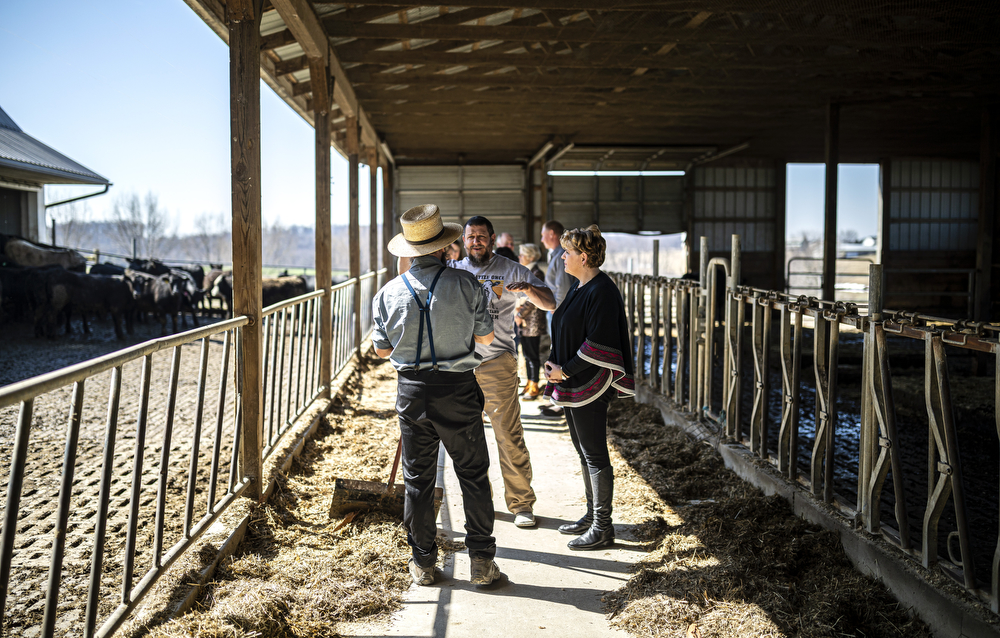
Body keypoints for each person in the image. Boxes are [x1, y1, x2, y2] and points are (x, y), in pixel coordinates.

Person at [372, 204, 501, 586]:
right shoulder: (466, 285)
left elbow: (380, 351)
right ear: (445, 247)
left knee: (418, 478)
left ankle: (424, 563)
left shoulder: (388, 292)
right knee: (473, 474)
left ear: (409, 251)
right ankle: (481, 561)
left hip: (412, 391)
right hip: (457, 389)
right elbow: (486, 338)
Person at [453, 215, 555, 528]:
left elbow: (550, 302)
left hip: (496, 361)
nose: (475, 242)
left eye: (481, 237)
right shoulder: (453, 271)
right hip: (458, 365)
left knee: (508, 434)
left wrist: (528, 290)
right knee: (466, 440)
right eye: (470, 237)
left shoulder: (510, 269)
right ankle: (478, 503)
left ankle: (521, 504)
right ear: (464, 241)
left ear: (493, 239)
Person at [543, 224, 634, 550]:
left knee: (595, 454)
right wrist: (556, 368)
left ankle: (602, 527)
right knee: (585, 451)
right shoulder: (581, 286)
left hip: (588, 384)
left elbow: (597, 345)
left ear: (583, 256)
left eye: (567, 252)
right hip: (571, 381)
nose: (563, 257)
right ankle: (591, 515)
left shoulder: (602, 291)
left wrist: (564, 371)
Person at [538, 220, 578, 417]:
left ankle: (562, 402)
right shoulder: (555, 256)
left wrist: (558, 312)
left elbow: (561, 289)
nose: (541, 238)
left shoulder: (559, 257)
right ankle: (558, 398)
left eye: (543, 234)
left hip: (558, 313)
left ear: (552, 234)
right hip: (556, 313)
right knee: (557, 353)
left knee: (561, 355)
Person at [514, 243, 546, 400]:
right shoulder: (528, 272)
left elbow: (533, 300)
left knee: (532, 355)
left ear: (531, 257)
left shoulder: (536, 274)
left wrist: (519, 313)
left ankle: (534, 385)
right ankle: (529, 383)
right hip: (526, 323)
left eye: (523, 255)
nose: (520, 257)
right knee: (526, 354)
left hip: (532, 322)